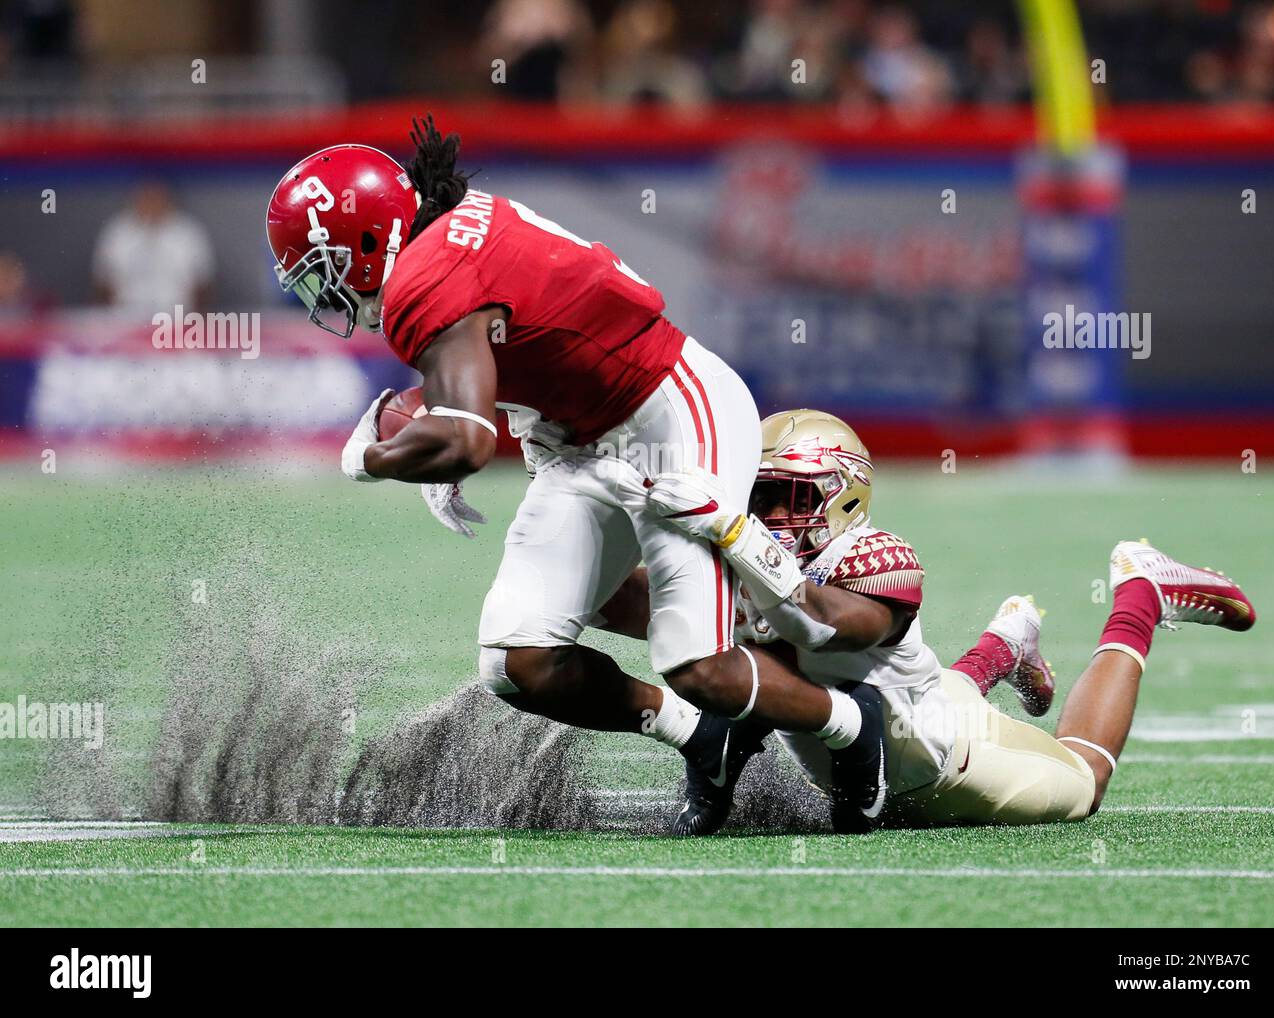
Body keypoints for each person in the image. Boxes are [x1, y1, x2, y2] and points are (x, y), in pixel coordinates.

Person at [264, 118, 888, 824]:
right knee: (518, 664)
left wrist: (370, 457)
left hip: (671, 414)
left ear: (370, 240)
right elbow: (527, 340)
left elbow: (467, 440)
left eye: (326, 271)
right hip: (579, 439)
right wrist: (449, 412)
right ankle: (698, 732)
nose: (326, 293)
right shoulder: (442, 234)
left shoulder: (421, 277)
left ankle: (850, 724)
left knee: (699, 667)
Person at [608, 408, 1256, 832]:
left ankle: (1141, 591)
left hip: (950, 758)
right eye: (758, 496)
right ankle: (1007, 643)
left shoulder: (871, 555)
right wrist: (592, 514)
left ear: (845, 495)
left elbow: (826, 625)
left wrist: (734, 535)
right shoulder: (734, 560)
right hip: (909, 709)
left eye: (790, 496)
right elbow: (625, 605)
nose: (771, 515)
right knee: (918, 688)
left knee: (1084, 782)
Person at [92, 182, 214, 312]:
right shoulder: (117, 230)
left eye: (156, 198)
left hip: (176, 316)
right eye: (146, 197)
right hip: (125, 317)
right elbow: (103, 282)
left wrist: (196, 321)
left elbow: (203, 284)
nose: (151, 203)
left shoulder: (188, 231)